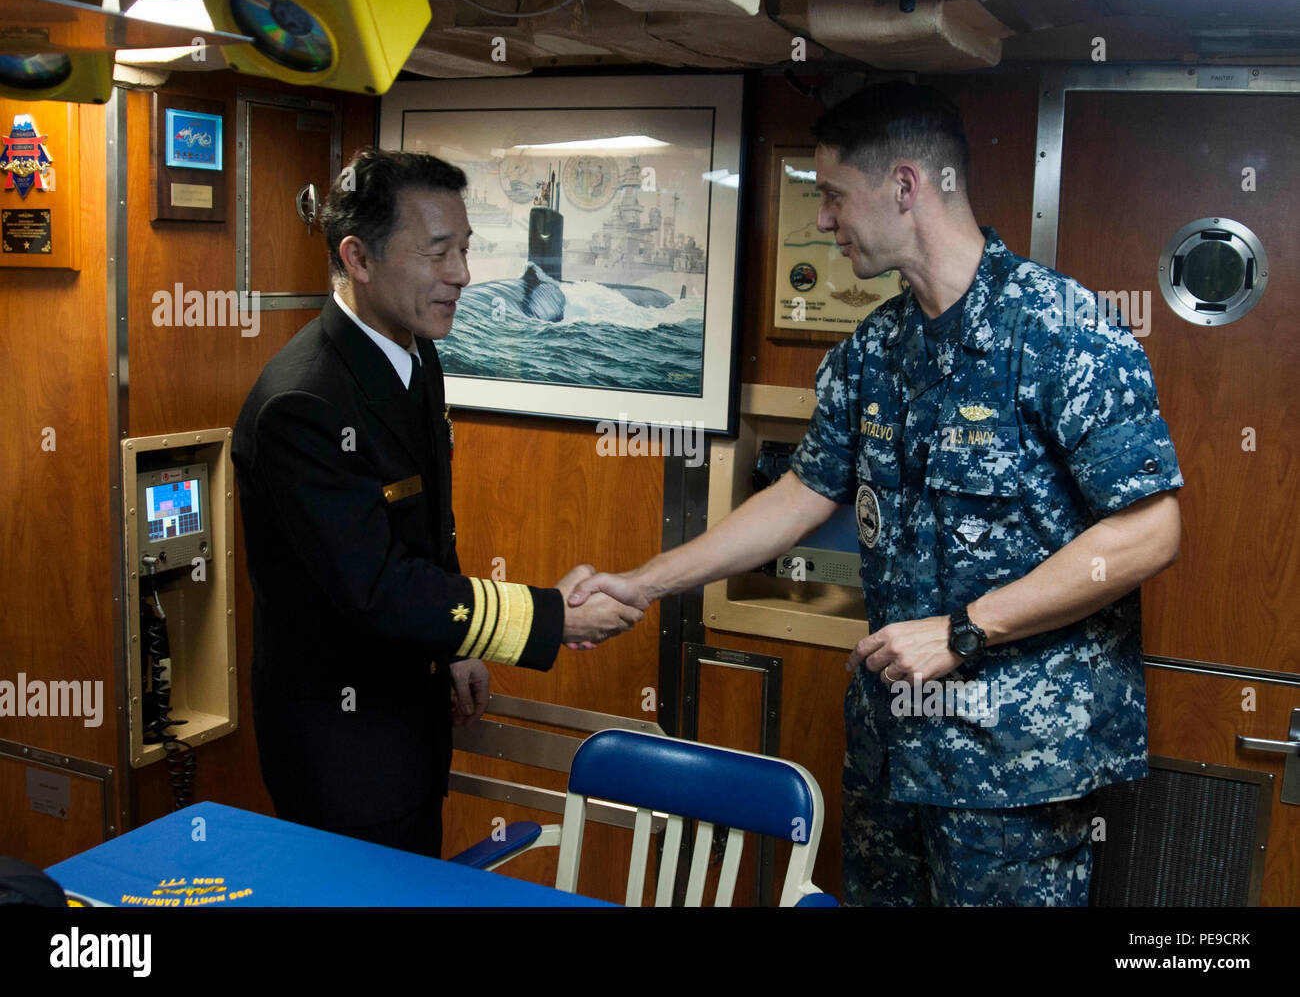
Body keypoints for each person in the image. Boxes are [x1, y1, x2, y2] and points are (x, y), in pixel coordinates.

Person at [569, 81, 1183, 906]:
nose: (822, 221)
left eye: (831, 196)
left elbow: (1149, 532)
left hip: (1014, 775)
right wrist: (644, 581)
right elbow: (802, 492)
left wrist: (965, 629)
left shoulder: (1064, 331)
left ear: (905, 185)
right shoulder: (875, 349)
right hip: (892, 756)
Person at [232, 149, 640, 858]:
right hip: (342, 750)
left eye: (466, 249)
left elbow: (425, 526)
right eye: (439, 252)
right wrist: (551, 614)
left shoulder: (414, 351)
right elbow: (379, 587)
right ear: (358, 258)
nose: (463, 274)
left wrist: (454, 643)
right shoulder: (303, 405)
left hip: (410, 722)